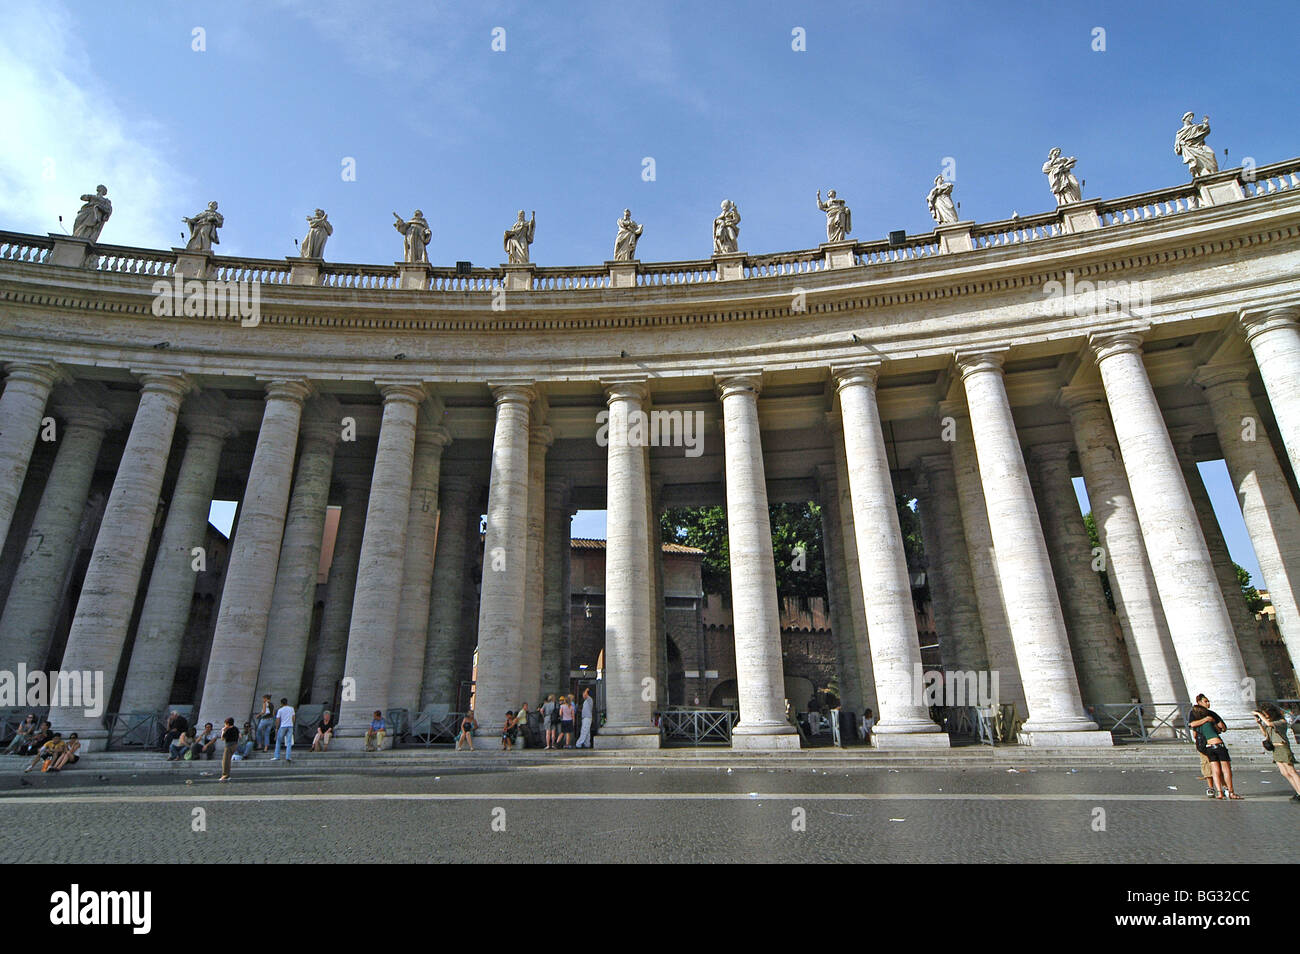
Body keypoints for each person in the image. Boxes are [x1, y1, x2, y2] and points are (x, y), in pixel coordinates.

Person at [1189, 701, 1241, 799]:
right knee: (1226, 770)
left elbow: (1195, 735)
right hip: (1218, 745)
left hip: (1209, 747)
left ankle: (1219, 793)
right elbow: (1220, 729)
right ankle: (1231, 792)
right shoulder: (1210, 721)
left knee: (1215, 771)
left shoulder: (1197, 725)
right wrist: (1214, 722)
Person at [1253, 703, 1300, 800]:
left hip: (1283, 748)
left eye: (1266, 714)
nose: (1266, 716)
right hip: (1275, 749)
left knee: (1291, 771)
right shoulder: (1269, 723)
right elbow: (1265, 734)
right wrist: (1259, 723)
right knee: (1285, 773)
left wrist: (1260, 715)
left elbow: (1269, 724)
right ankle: (1297, 791)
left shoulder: (1281, 722)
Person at [1188, 693, 1225, 798]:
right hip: (1202, 743)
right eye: (1206, 701)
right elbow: (1192, 725)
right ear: (1199, 702)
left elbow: (1223, 727)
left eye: (1208, 701)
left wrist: (1216, 724)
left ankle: (1224, 787)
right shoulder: (1194, 713)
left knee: (1219, 766)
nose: (1208, 703)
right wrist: (1205, 720)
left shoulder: (1212, 714)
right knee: (1206, 765)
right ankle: (1211, 787)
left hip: (1214, 742)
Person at [271, 697, 295, 762]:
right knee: (289, 742)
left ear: (281, 703)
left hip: (283, 726)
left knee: (278, 741)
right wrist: (292, 724)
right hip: (290, 726)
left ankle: (277, 756)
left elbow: (277, 720)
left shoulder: (280, 710)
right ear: (287, 702)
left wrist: (276, 728)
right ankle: (288, 757)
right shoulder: (291, 708)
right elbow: (293, 718)